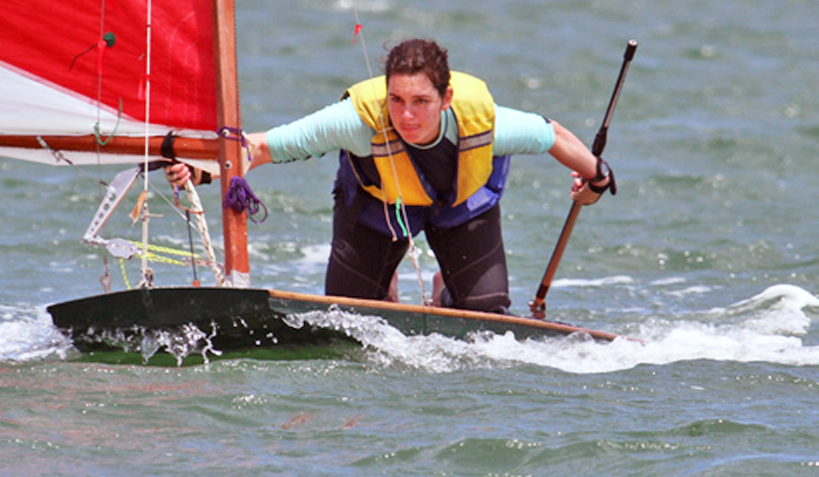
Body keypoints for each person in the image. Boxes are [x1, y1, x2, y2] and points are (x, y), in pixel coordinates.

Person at [167, 38, 615, 313]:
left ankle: (446, 287)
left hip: (462, 204)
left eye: (420, 101)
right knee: (351, 314)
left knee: (486, 316)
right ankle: (384, 287)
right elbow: (259, 147)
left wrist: (594, 177)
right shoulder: (356, 121)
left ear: (447, 98)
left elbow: (551, 134)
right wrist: (204, 168)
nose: (406, 114)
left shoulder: (486, 120)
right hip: (378, 209)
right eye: (396, 99)